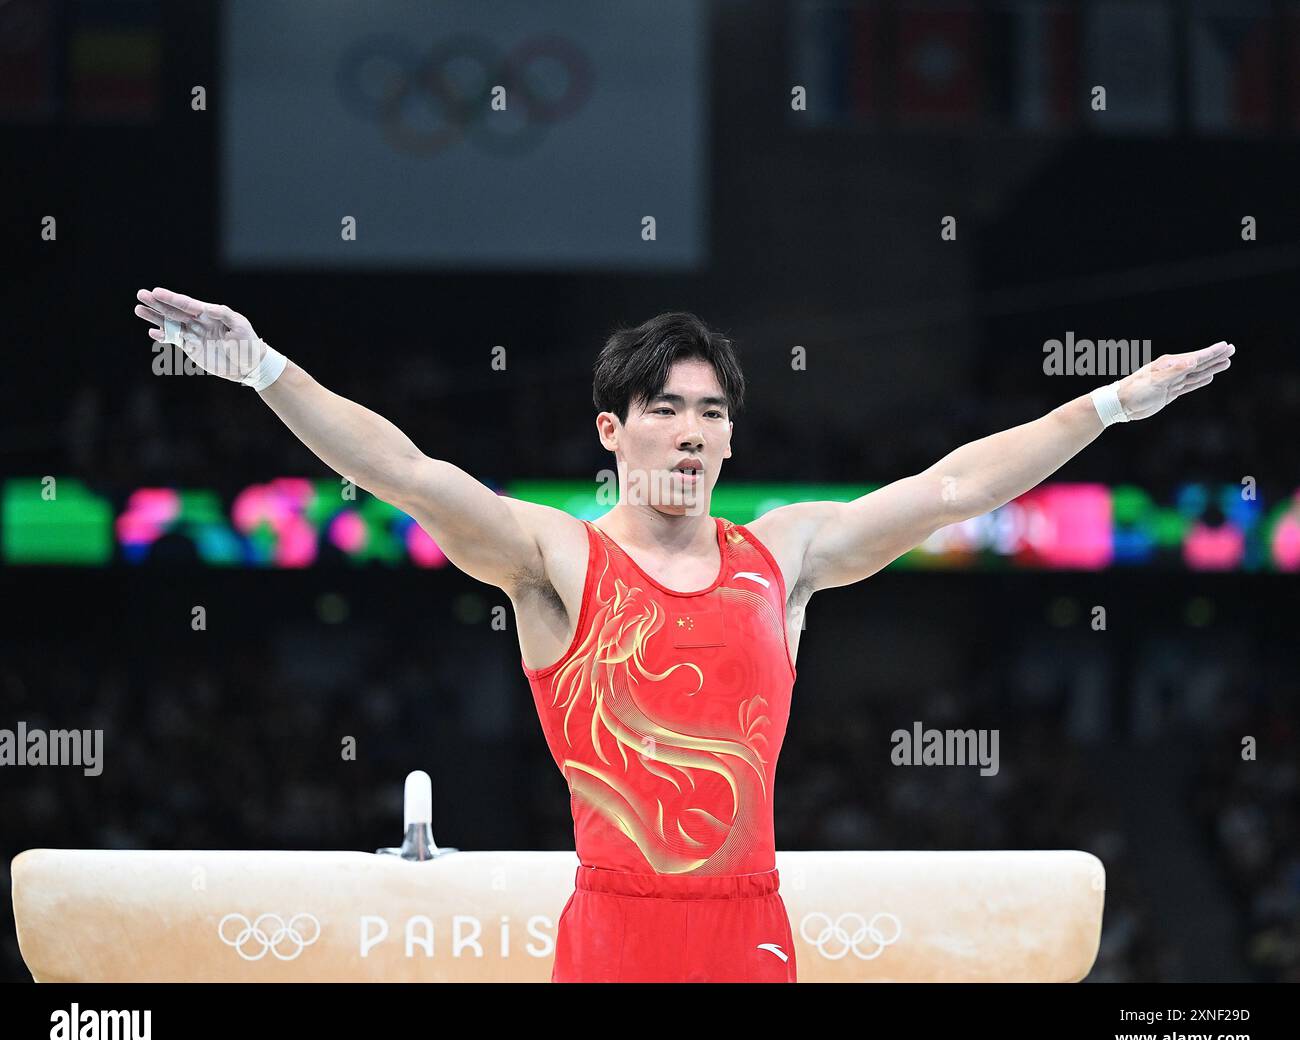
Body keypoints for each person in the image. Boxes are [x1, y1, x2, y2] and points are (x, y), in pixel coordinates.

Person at [132, 287, 1233, 982]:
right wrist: (264, 370)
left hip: (748, 929)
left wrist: (1106, 408)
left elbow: (953, 488)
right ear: (611, 430)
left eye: (712, 411)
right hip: (614, 931)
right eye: (665, 405)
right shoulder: (555, 559)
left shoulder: (784, 555)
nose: (692, 429)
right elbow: (404, 473)